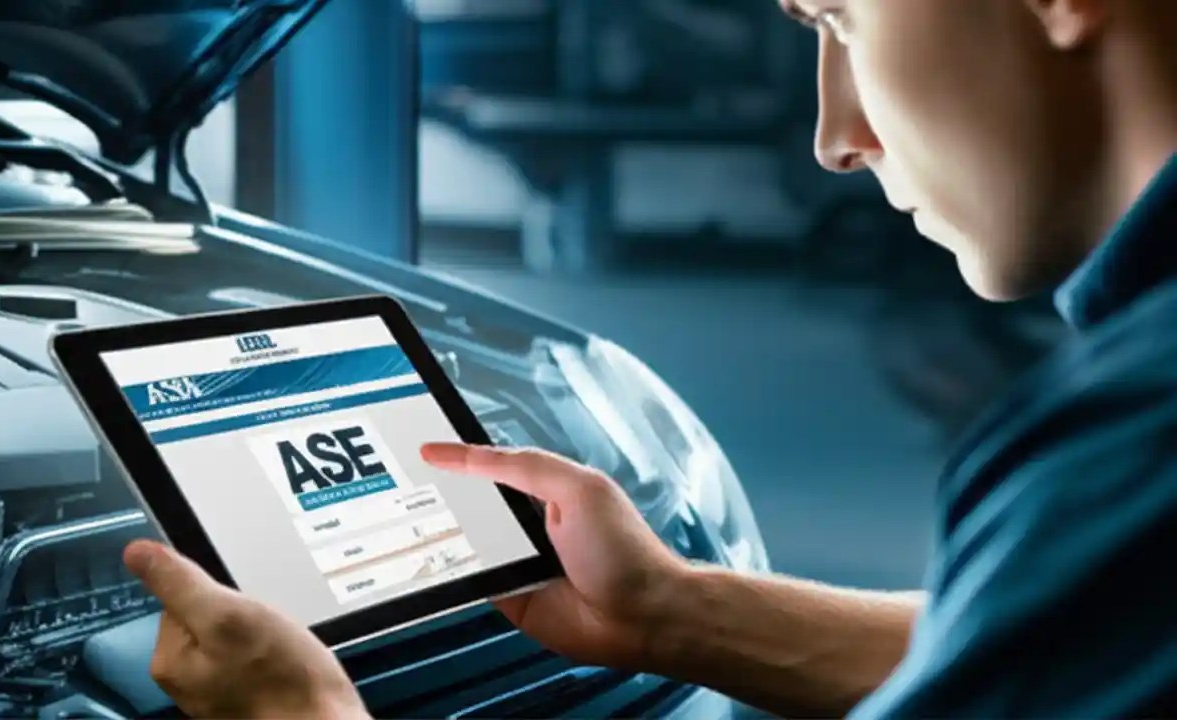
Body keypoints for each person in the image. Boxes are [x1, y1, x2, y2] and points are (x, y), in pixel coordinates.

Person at [122, 0, 1177, 716]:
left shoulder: (1129, 442)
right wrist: (673, 609)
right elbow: (1079, 646)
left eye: (841, 21)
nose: (833, 135)